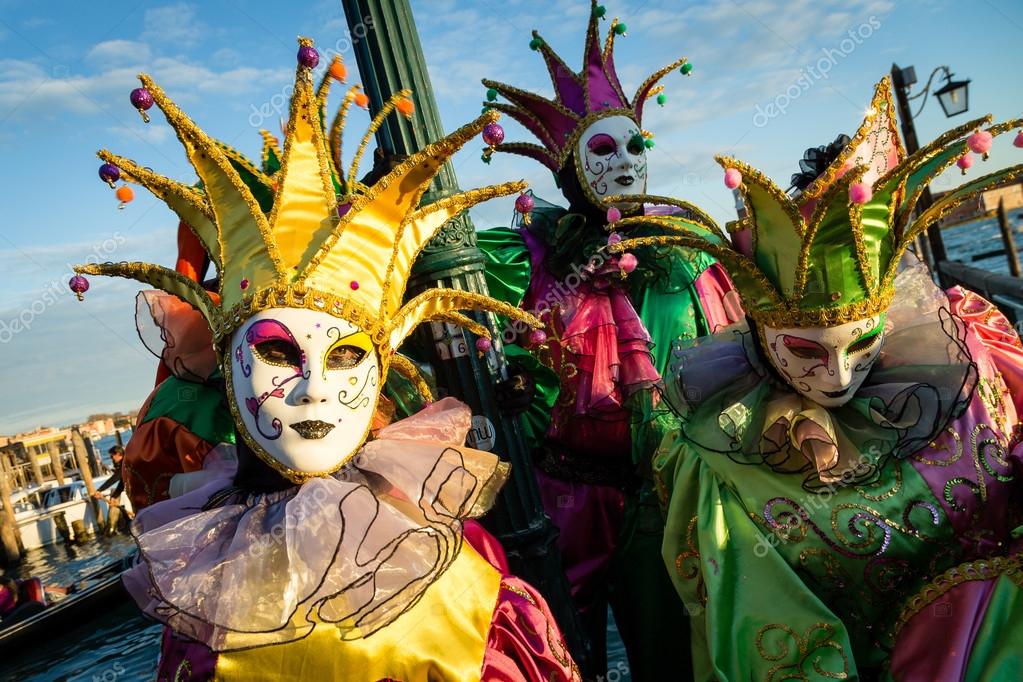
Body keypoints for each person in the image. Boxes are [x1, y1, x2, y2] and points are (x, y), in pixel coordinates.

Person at [72, 39, 581, 681]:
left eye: (345, 358)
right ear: (229, 369)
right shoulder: (206, 588)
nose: (315, 388)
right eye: (279, 352)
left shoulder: (461, 568)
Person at [610, 76, 1023, 680]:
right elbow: (766, 637)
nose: (836, 375)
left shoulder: (967, 355)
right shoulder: (718, 467)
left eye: (859, 344)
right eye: (806, 351)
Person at [476, 2, 740, 676]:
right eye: (600, 148)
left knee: (678, 648)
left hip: (679, 487)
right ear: (565, 165)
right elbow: (459, 313)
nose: (623, 161)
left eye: (633, 146)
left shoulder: (686, 255)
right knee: (565, 653)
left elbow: (738, 359)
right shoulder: (523, 258)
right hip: (562, 500)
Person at [92, 446, 126, 534]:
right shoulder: (123, 464)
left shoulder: (125, 463)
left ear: (118, 454)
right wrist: (115, 496)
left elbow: (115, 478)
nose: (111, 459)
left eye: (112, 456)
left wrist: (100, 490)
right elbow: (122, 482)